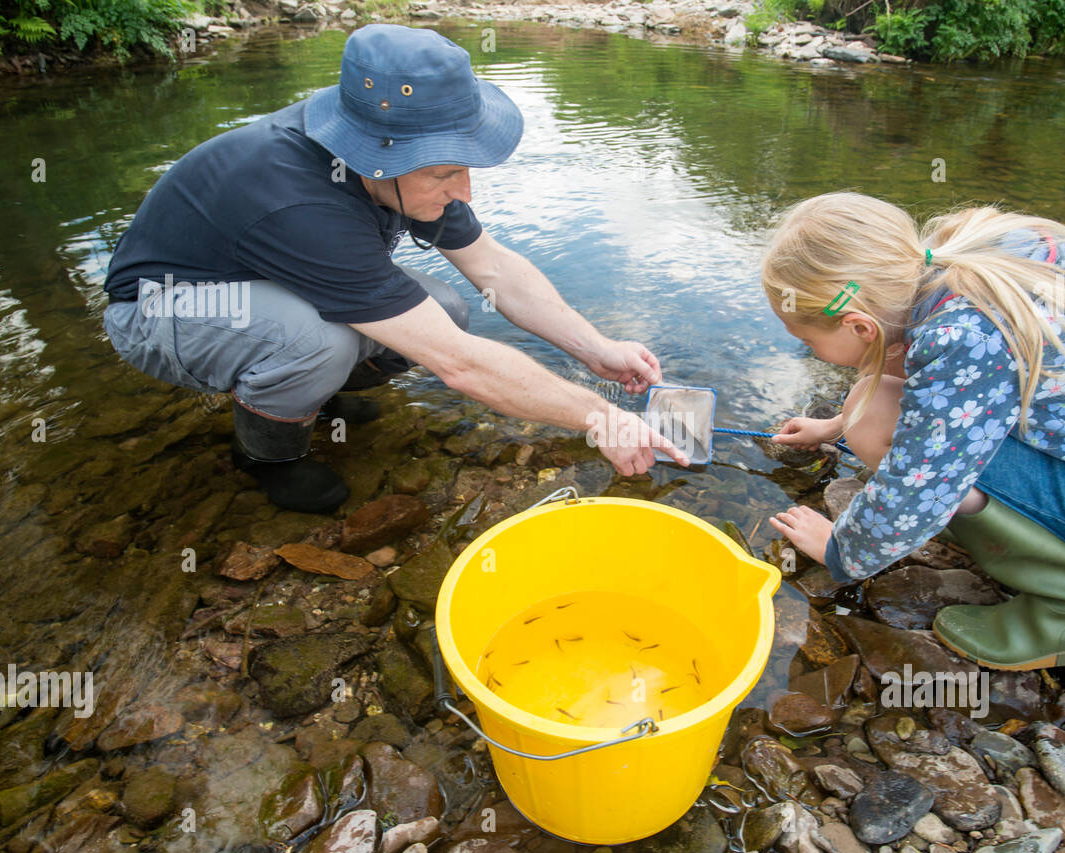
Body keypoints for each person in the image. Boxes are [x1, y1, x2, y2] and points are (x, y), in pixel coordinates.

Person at [101, 24, 683, 514]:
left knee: (449, 309)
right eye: (442, 174)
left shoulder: (405, 173)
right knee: (318, 341)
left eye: (464, 167)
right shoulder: (297, 198)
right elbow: (457, 366)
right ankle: (267, 456)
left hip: (266, 284)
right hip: (161, 307)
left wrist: (595, 349)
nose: (464, 190)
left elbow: (493, 267)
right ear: (373, 158)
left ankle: (313, 399)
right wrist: (603, 418)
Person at [762, 192, 1065, 671]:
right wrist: (834, 427)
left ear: (859, 326)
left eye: (807, 341)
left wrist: (841, 548)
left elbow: (917, 485)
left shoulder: (965, 338)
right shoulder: (972, 263)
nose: (809, 349)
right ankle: (1029, 541)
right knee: (873, 400)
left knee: (879, 424)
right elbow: (951, 384)